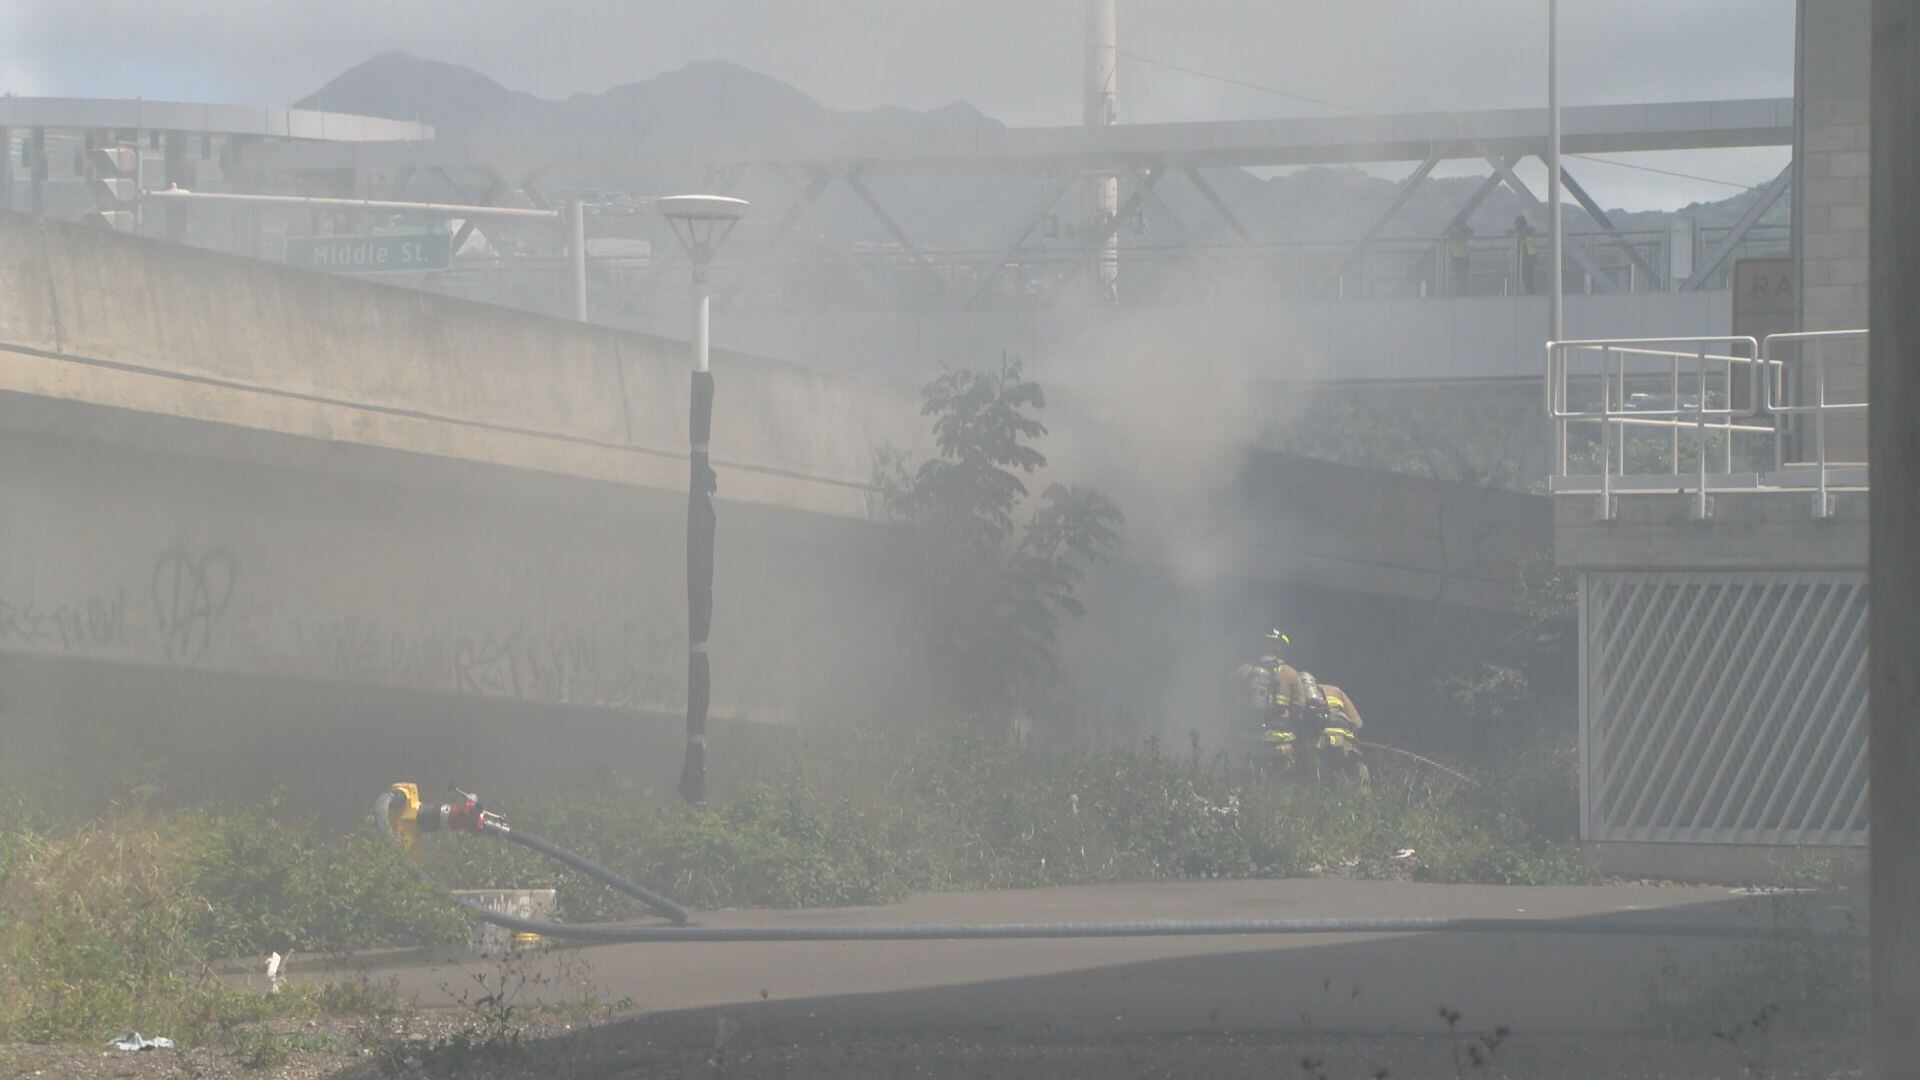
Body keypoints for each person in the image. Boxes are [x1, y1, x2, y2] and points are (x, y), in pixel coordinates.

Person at [1239, 628, 1308, 771]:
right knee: (1279, 783)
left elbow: (1230, 698)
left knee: (1245, 781)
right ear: (1282, 649)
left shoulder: (1245, 669)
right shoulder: (1291, 673)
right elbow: (1299, 706)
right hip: (1279, 741)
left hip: (1247, 739)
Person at [1510, 215, 1538, 294]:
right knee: (1526, 278)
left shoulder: (1527, 233)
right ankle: (1530, 292)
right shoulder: (1525, 232)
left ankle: (1531, 293)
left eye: (1517, 223)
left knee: (1528, 278)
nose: (1516, 225)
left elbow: (1531, 249)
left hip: (1528, 258)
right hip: (1525, 258)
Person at [1445, 222, 1474, 296]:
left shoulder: (1465, 230)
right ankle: (1460, 290)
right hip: (1457, 256)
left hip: (1464, 255)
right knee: (1459, 274)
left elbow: (1471, 232)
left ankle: (1464, 290)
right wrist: (1460, 233)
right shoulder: (1453, 232)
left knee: (1464, 274)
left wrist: (1463, 231)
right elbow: (1453, 238)